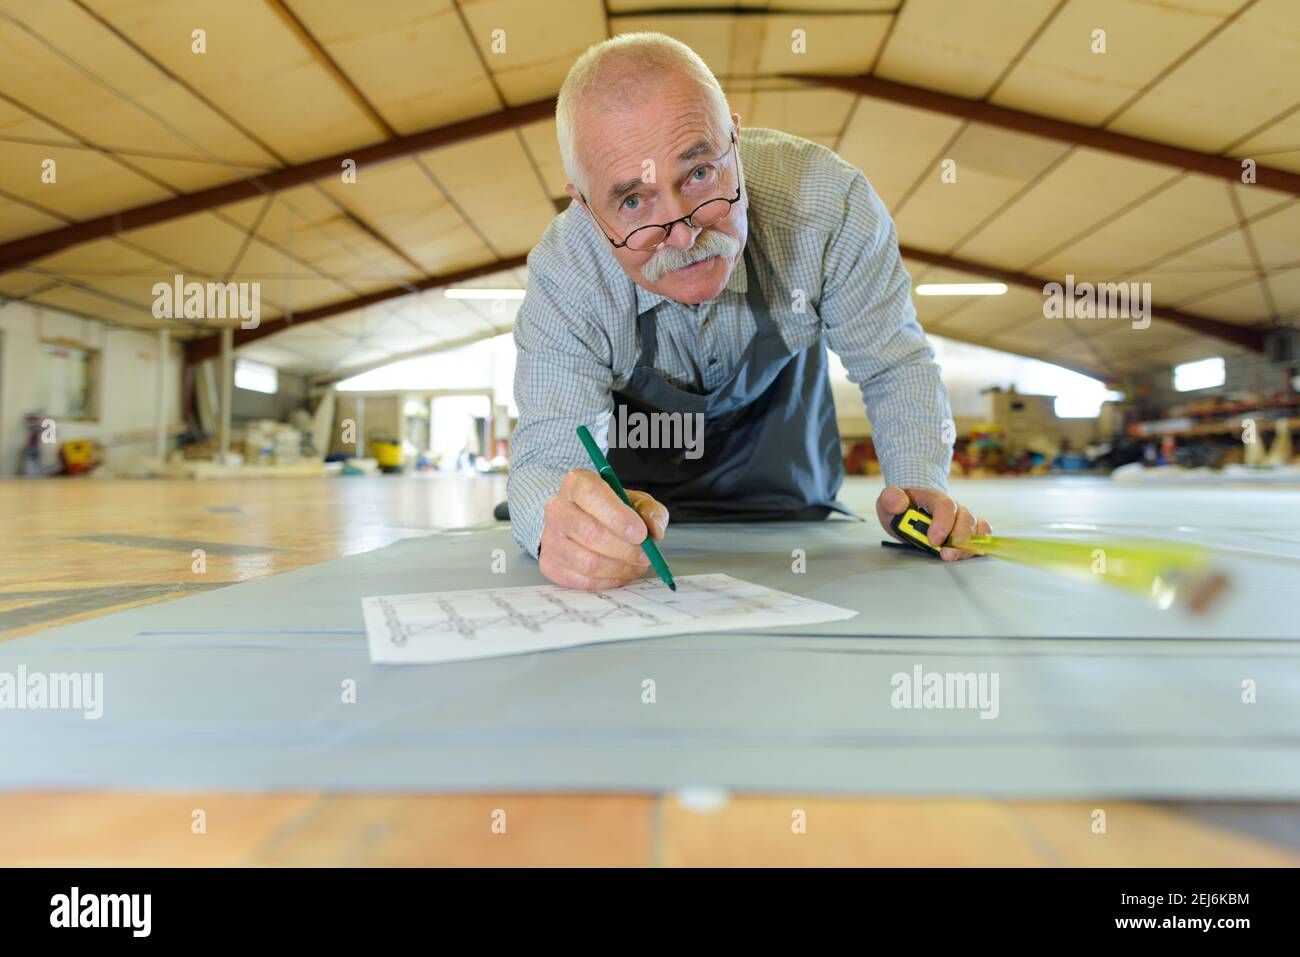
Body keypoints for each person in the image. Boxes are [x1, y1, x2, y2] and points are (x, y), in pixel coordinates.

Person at [508, 32, 990, 590]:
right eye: (634, 201)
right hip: (640, 512)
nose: (684, 236)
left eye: (699, 174)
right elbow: (548, 450)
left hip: (788, 505)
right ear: (586, 206)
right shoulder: (566, 274)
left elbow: (892, 363)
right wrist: (563, 529)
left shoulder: (827, 205)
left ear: (735, 139)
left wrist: (917, 487)